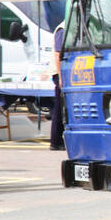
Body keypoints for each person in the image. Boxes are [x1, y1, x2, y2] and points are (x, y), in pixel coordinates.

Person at [50, 21, 66, 151]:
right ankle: (55, 141)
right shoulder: (63, 29)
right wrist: (61, 76)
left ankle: (59, 140)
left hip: (65, 72)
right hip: (60, 73)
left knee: (62, 107)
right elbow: (58, 54)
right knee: (59, 108)